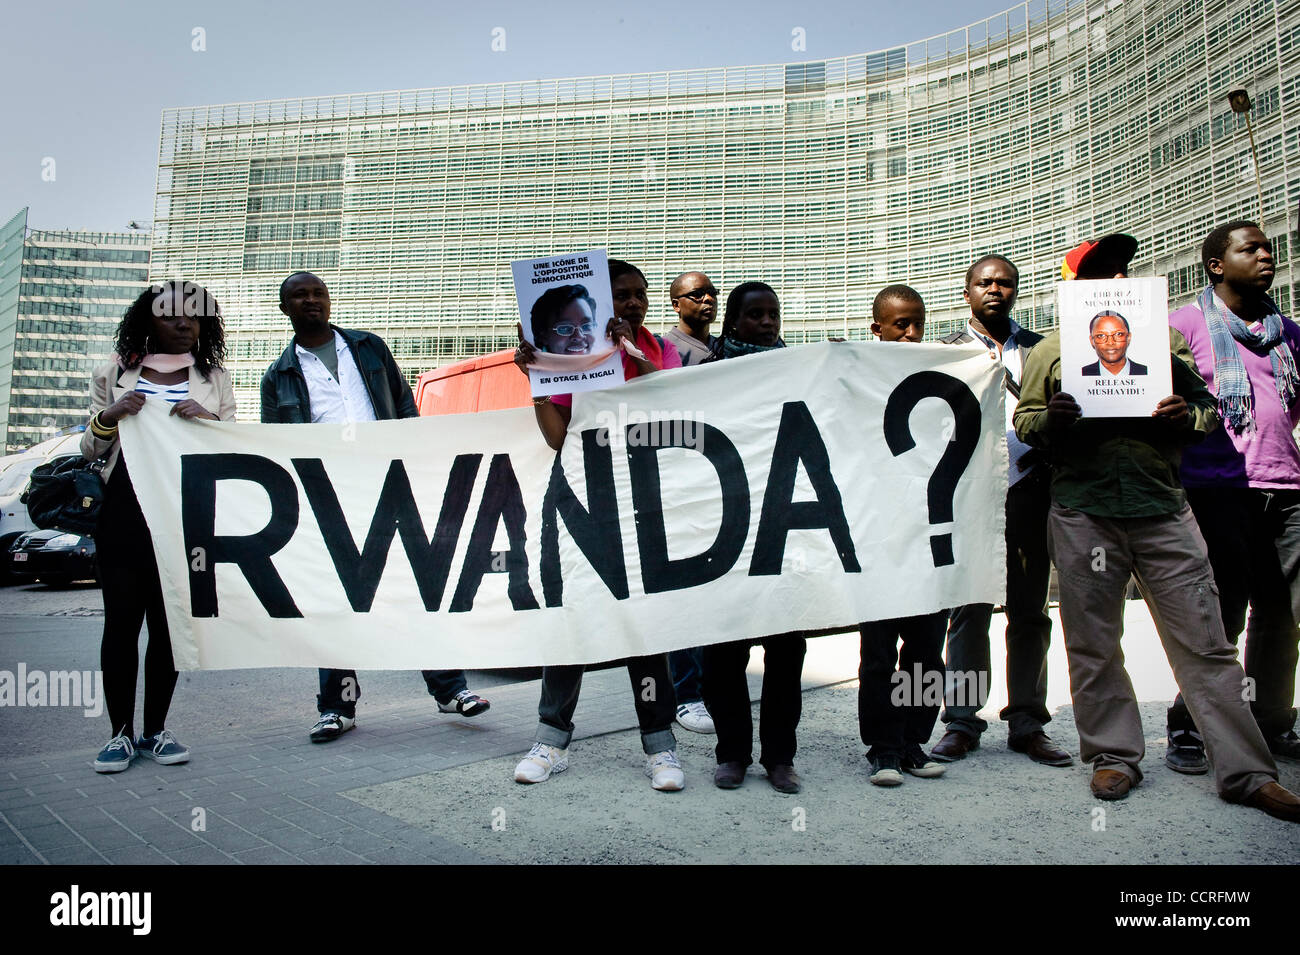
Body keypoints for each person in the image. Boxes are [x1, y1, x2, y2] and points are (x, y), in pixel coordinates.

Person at [1014, 281, 1300, 822]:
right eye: (1101, 274)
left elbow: (1206, 411)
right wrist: (1052, 419)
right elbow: (1025, 422)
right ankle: (1113, 756)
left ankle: (1247, 773)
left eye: (1123, 274)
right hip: (1084, 509)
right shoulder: (1051, 349)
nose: (1116, 286)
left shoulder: (1167, 343)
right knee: (1094, 641)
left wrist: (1184, 417)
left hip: (1163, 508)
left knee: (1207, 641)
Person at [261, 271, 490, 743]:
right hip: (328, 494)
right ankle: (336, 708)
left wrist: (417, 458)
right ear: (285, 309)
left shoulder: (368, 347)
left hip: (391, 483)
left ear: (328, 300)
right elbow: (275, 444)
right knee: (336, 599)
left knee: (419, 585)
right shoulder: (278, 376)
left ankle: (451, 690)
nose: (311, 301)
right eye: (299, 296)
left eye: (317, 293)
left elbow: (404, 406)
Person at [511, 258, 686, 790]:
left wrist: (635, 358)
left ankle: (660, 748)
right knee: (573, 621)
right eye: (622, 295)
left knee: (643, 626)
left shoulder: (662, 351)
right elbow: (557, 437)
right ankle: (550, 740)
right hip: (582, 503)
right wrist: (540, 379)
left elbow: (686, 406)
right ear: (600, 300)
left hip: (647, 503)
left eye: (641, 294)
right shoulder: (574, 356)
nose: (633, 303)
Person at [1164, 220, 1300, 772]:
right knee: (1221, 614)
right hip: (1215, 488)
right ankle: (1191, 724)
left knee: (1283, 613)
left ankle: (1270, 722)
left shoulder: (1287, 331)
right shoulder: (1184, 324)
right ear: (1217, 265)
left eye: (1268, 247)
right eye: (1252, 249)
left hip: (1287, 486)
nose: (1266, 255)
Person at [86, 281, 236, 772]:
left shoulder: (213, 378)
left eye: (194, 316)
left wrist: (207, 418)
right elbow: (90, 450)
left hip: (182, 514)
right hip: (124, 513)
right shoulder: (115, 372)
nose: (183, 323)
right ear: (148, 320)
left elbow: (232, 449)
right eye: (171, 314)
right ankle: (119, 735)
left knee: (169, 626)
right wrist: (110, 416)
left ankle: (156, 731)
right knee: (121, 625)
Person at [931, 255, 1072, 768]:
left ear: (1016, 291)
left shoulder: (1042, 349)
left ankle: (1028, 722)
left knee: (1030, 612)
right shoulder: (942, 352)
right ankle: (962, 722)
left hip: (1031, 491)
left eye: (1005, 283)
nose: (996, 289)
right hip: (969, 494)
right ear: (967, 291)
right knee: (968, 610)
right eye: (985, 283)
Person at [699, 281, 806, 794]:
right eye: (755, 315)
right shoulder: (705, 375)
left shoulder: (803, 372)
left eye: (773, 315)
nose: (766, 324)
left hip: (787, 532)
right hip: (724, 535)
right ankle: (732, 754)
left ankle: (780, 758)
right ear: (733, 323)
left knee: (787, 655)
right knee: (724, 658)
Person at [859, 286, 948, 786]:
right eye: (899, 325)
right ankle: (882, 748)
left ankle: (914, 740)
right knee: (878, 651)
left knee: (926, 648)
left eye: (917, 322)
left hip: (932, 535)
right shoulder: (859, 378)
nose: (911, 333)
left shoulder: (945, 375)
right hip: (877, 539)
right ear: (877, 328)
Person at [659, 270, 721, 733]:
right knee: (683, 594)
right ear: (676, 303)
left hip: (720, 487)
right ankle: (686, 695)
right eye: (695, 294)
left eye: (711, 293)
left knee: (714, 591)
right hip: (678, 488)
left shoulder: (728, 349)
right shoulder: (664, 351)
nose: (706, 299)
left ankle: (709, 689)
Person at [664, 271, 720, 367]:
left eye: (712, 293)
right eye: (697, 294)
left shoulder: (727, 349)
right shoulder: (661, 350)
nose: (709, 298)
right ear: (676, 305)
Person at [529, 284, 598, 355]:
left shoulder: (605, 362)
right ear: (543, 336)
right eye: (565, 328)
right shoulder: (524, 364)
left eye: (586, 327)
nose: (579, 336)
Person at [1082, 311, 1148, 376]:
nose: (1110, 342)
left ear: (1128, 338)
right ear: (1092, 340)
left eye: (1118, 334)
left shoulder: (1146, 372)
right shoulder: (1081, 374)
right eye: (1101, 335)